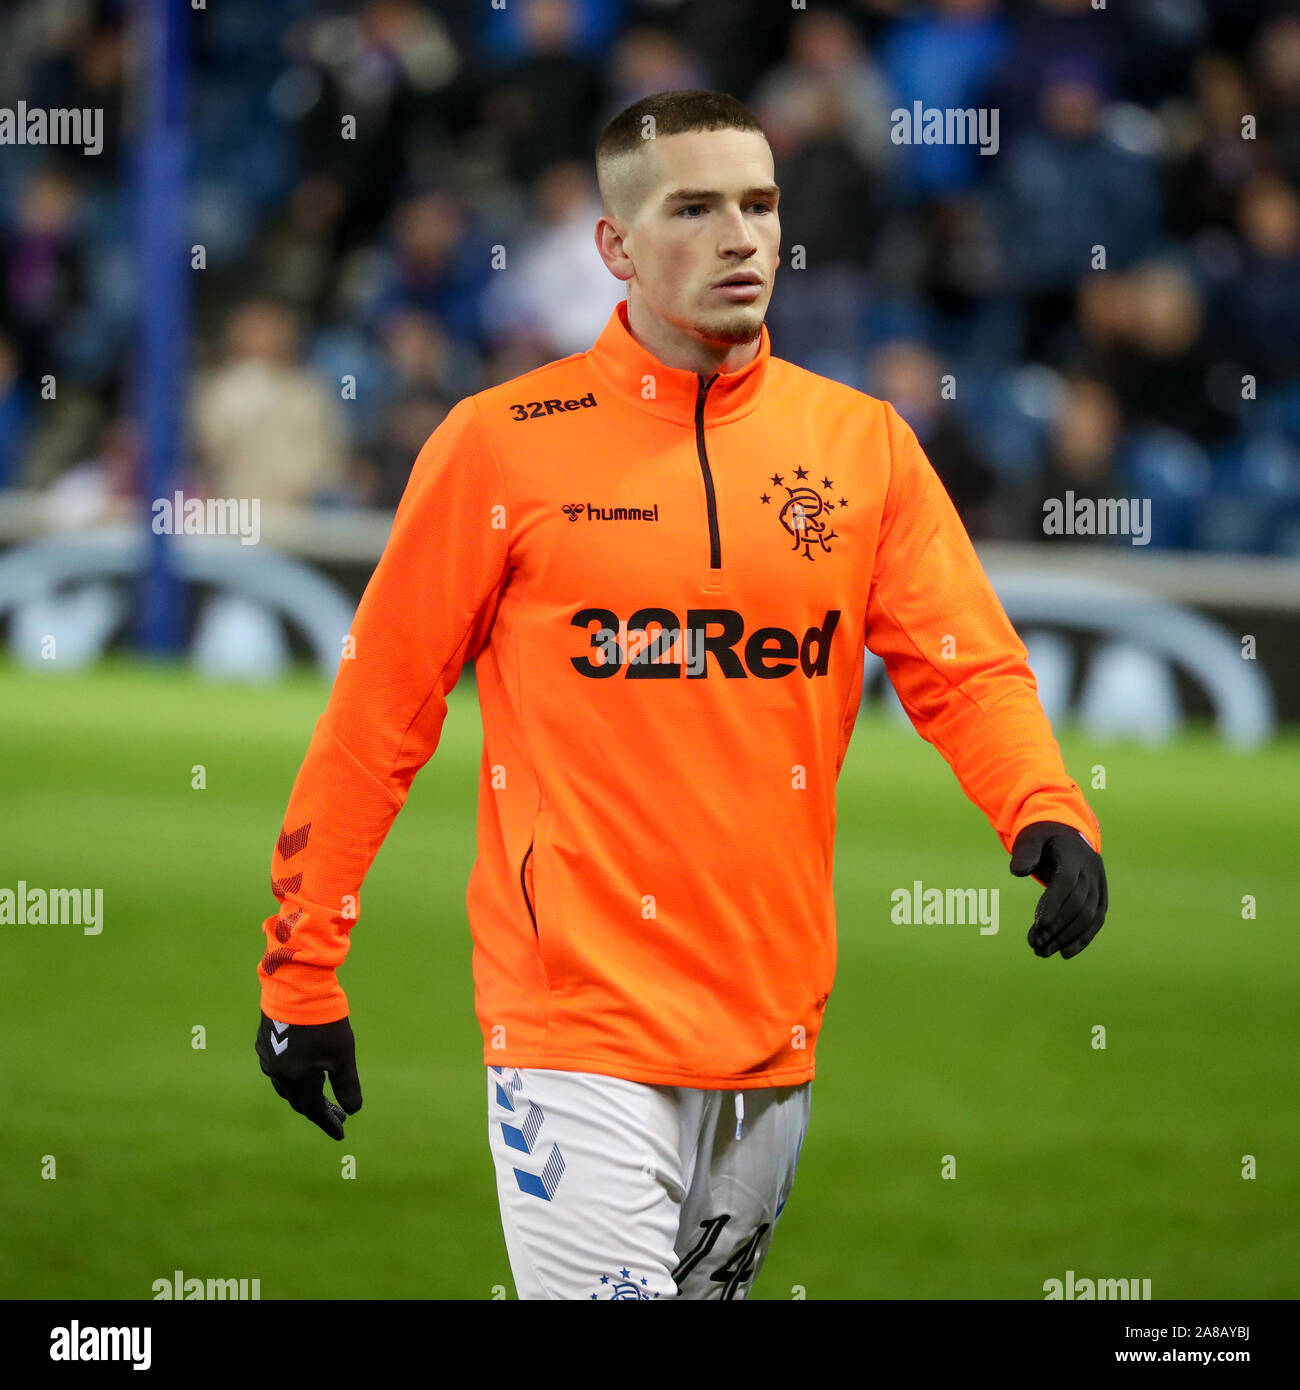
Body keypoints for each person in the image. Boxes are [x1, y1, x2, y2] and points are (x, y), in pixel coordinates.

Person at [253, 89, 1107, 1301]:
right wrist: (302, 969)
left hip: (770, 1031)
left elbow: (966, 666)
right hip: (574, 1027)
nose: (740, 238)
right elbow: (379, 714)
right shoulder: (500, 445)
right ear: (614, 245)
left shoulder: (862, 445)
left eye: (758, 205)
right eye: (693, 208)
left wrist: (1045, 806)